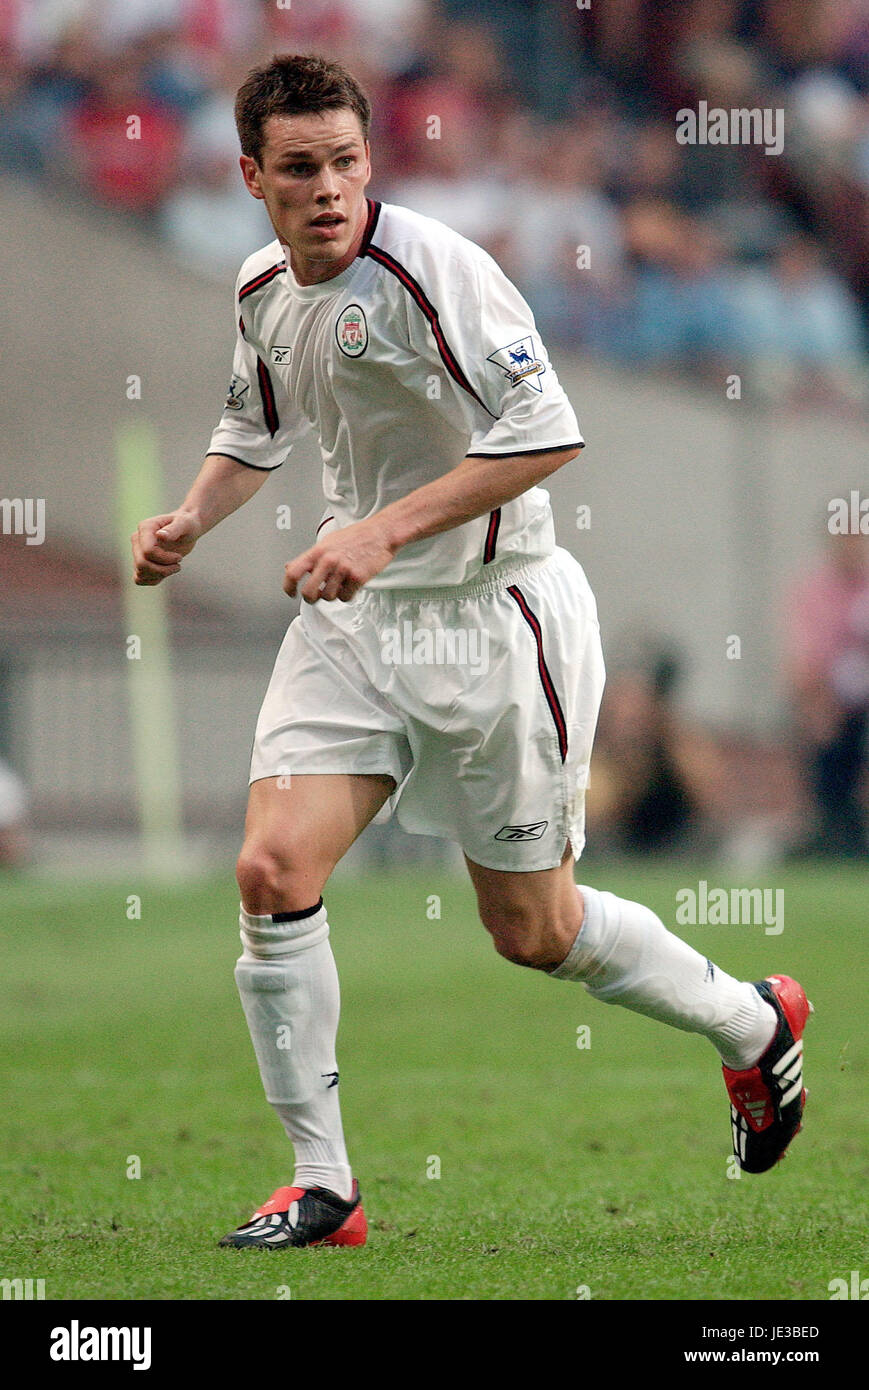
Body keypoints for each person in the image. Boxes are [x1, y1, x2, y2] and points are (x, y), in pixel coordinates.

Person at [131, 54, 811, 1250]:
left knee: (531, 931)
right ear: (250, 177)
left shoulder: (435, 270)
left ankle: (750, 1025)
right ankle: (323, 1186)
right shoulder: (260, 287)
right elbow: (254, 421)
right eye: (300, 168)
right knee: (271, 870)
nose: (328, 188)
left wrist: (382, 530)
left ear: (369, 160)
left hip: (495, 622)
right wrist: (191, 515)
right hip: (353, 623)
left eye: (346, 161)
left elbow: (546, 432)